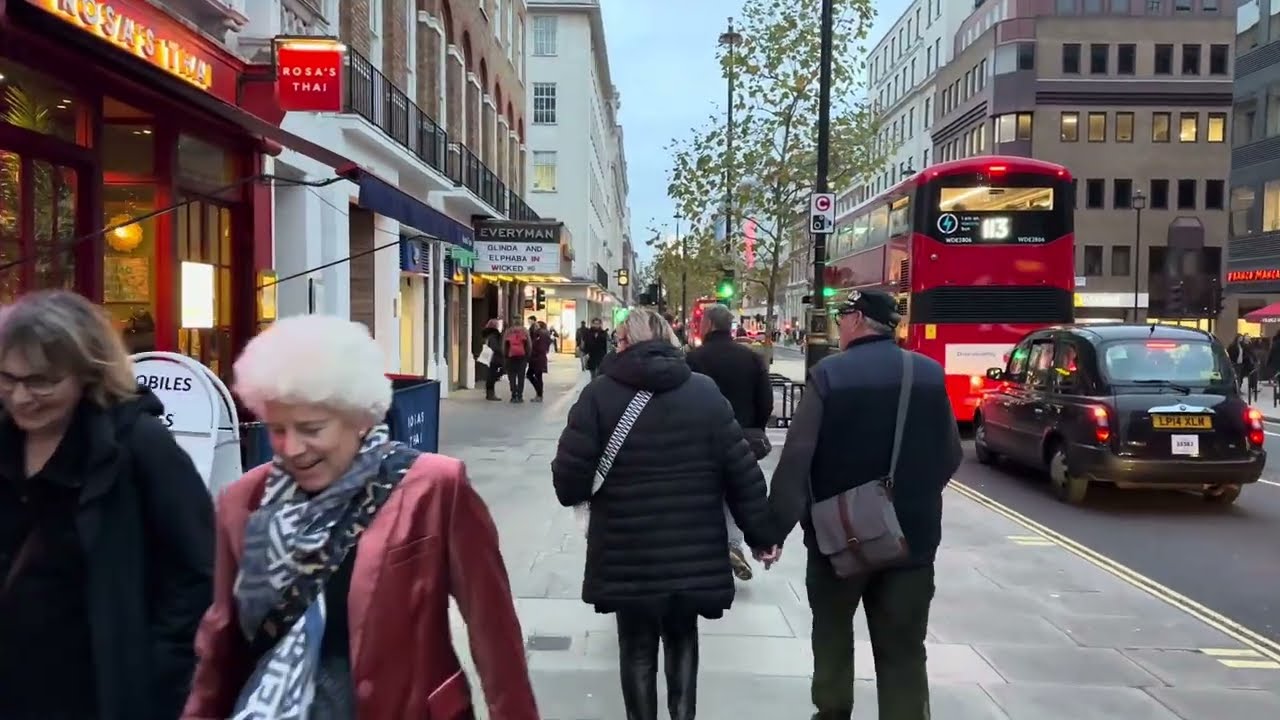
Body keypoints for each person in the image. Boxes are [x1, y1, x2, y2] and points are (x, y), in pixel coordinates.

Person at [182, 314, 538, 720]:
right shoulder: (242, 502)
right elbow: (220, 649)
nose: (292, 448)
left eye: (311, 428)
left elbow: (495, 633)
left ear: (359, 417)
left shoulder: (436, 487)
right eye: (278, 429)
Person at [552, 308, 779, 720]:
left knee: (637, 645)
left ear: (625, 343)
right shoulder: (706, 393)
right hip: (693, 547)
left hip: (627, 549)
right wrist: (762, 535)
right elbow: (742, 473)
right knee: (682, 637)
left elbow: (568, 484)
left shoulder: (599, 395)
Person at [0, 290, 213, 720]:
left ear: (87, 373)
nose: (21, 397)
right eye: (7, 379)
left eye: (41, 381)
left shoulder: (139, 446)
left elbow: (197, 573)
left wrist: (154, 675)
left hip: (95, 693)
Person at [768, 289, 961, 720]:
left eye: (841, 316)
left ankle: (833, 713)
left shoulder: (830, 375)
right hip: (911, 542)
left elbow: (798, 457)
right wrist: (909, 500)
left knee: (833, 638)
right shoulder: (928, 374)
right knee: (904, 650)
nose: (838, 325)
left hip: (839, 540)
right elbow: (951, 455)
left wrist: (772, 531)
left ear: (857, 319)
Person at [686, 303, 775, 582]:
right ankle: (733, 545)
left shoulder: (694, 358)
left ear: (709, 325)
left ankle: (717, 547)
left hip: (703, 437)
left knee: (711, 491)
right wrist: (755, 427)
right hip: (744, 435)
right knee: (736, 489)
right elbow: (766, 400)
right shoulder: (751, 358)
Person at [503, 321, 532, 403]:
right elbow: (529, 345)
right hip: (522, 357)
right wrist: (527, 356)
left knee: (511, 377)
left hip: (510, 357)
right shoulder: (525, 331)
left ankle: (513, 395)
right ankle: (520, 396)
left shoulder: (508, 331)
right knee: (521, 377)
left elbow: (504, 345)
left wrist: (505, 356)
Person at [527, 320, 553, 402]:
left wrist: (532, 352)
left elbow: (537, 346)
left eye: (536, 325)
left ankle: (539, 394)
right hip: (541, 358)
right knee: (538, 376)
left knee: (532, 375)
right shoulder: (546, 333)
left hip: (536, 358)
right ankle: (539, 394)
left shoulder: (539, 334)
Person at [480, 318, 505, 401]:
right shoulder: (494, 335)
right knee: (492, 375)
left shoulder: (488, 334)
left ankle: (489, 393)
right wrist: (502, 351)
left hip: (491, 358)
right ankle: (491, 394)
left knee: (491, 375)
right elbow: (495, 347)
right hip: (494, 358)